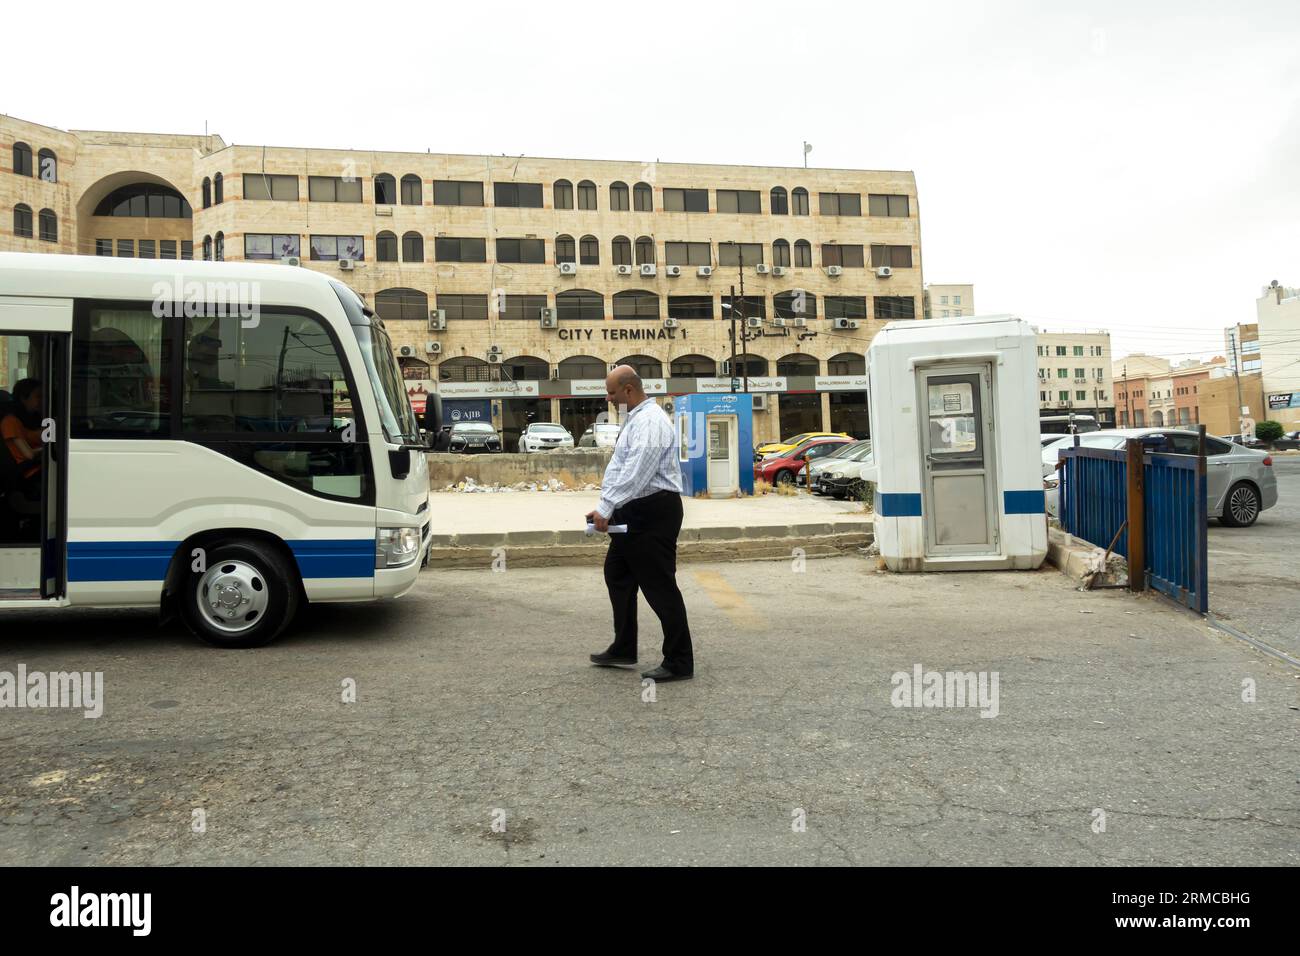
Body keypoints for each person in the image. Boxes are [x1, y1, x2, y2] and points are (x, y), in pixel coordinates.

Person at [586, 366, 694, 682]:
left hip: (653, 511)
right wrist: (605, 506)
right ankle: (624, 647)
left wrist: (606, 508)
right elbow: (620, 469)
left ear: (629, 389)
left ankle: (679, 661)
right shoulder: (635, 419)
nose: (608, 399)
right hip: (633, 509)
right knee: (617, 573)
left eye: (611, 393)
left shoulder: (651, 422)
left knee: (660, 587)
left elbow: (637, 474)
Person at [1, 378, 44, 494]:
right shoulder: (10, 422)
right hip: (28, 473)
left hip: (38, 466)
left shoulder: (31, 419)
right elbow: (29, 454)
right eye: (38, 396)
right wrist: (47, 449)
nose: (42, 400)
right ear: (23, 398)